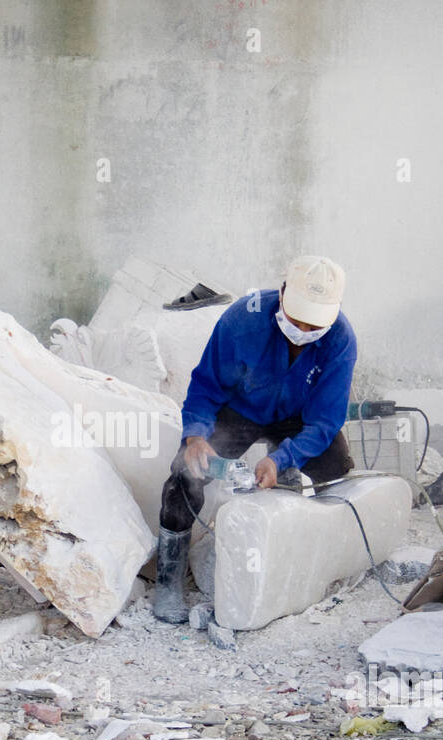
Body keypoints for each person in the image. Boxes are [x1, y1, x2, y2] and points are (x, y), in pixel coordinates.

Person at [152, 255, 357, 624]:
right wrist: (196, 435)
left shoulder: (340, 340)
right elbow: (204, 386)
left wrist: (281, 459)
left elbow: (325, 421)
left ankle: (324, 554)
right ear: (282, 295)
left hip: (299, 419)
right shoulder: (241, 320)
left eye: (315, 324)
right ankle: (168, 581)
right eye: (297, 318)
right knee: (185, 473)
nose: (304, 328)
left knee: (335, 464)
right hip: (242, 410)